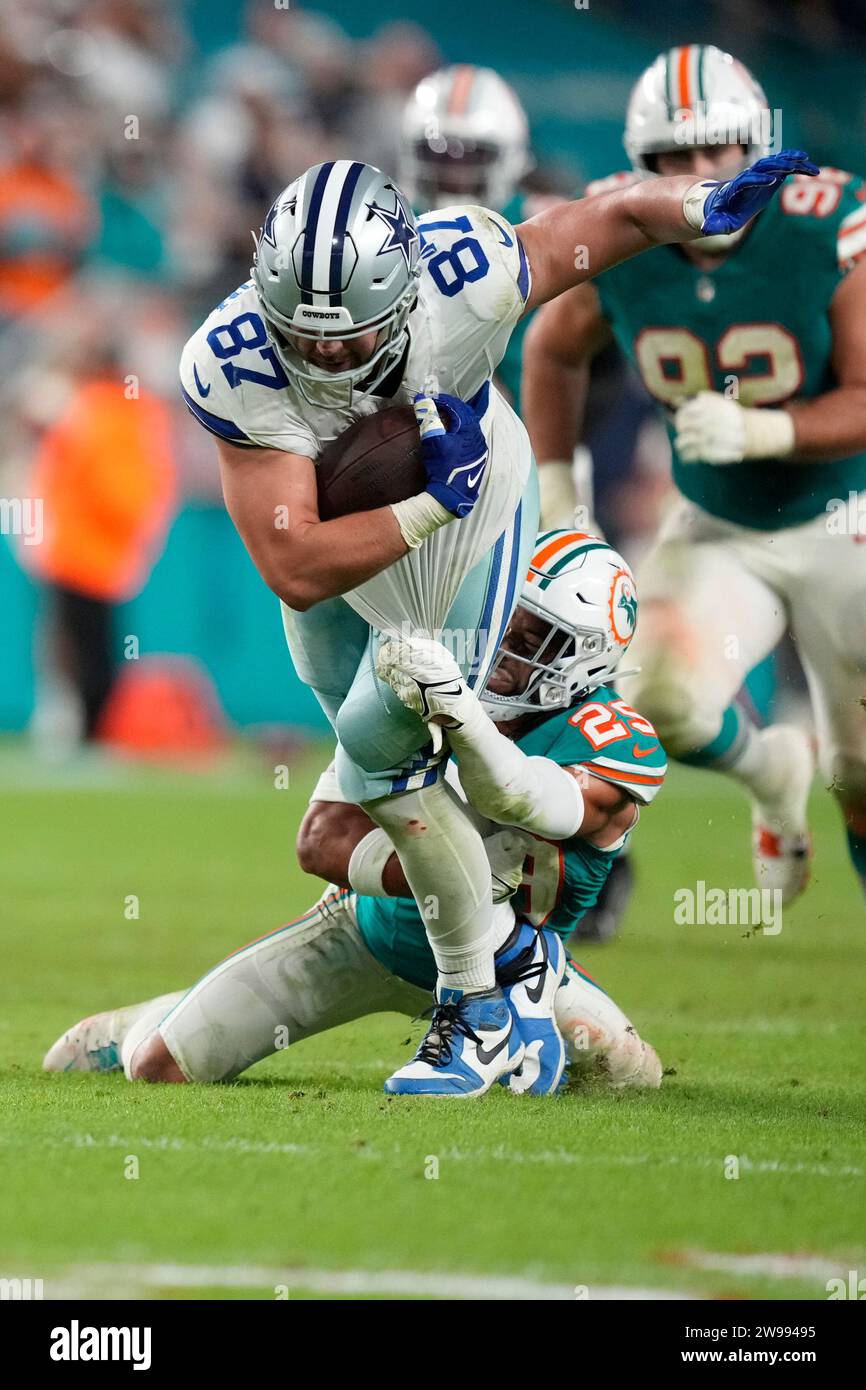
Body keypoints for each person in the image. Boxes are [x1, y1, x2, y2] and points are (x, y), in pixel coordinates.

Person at [179, 148, 815, 1095]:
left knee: (379, 727)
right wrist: (428, 499)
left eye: (349, 341)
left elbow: (612, 223)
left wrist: (696, 203)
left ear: (402, 295)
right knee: (337, 817)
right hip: (382, 532)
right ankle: (504, 953)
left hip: (479, 521)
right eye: (303, 340)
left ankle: (476, 1005)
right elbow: (296, 566)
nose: (326, 362)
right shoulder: (232, 363)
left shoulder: (462, 277)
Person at [44, 532, 664, 1097]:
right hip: (368, 936)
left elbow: (521, 794)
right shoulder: (428, 670)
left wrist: (459, 718)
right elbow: (322, 840)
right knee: (160, 1068)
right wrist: (459, 893)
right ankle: (158, 1017)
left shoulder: (611, 740)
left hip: (512, 974)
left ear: (585, 662)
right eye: (504, 620)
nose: (502, 647)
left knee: (628, 1076)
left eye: (532, 639)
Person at [524, 44, 866, 902]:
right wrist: (559, 486)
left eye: (716, 150)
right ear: (643, 166)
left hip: (844, 514)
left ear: (756, 144)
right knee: (659, 701)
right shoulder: (620, 224)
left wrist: (764, 429)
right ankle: (774, 774)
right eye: (673, 158)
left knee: (862, 775)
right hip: (716, 522)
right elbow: (555, 348)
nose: (699, 174)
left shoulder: (829, 221)